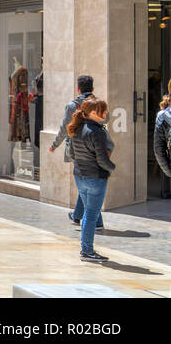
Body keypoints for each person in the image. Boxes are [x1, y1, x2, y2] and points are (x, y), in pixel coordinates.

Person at [50, 75, 102, 229]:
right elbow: (105, 122)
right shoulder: (98, 104)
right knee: (86, 182)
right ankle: (78, 215)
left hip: (77, 149)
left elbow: (64, 129)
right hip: (94, 148)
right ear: (92, 88)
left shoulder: (72, 106)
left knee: (86, 184)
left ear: (78, 89)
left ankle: (97, 221)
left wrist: (55, 144)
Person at [69, 98, 114, 262]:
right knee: (91, 214)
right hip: (95, 177)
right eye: (104, 110)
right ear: (94, 113)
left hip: (80, 175)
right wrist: (112, 167)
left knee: (89, 212)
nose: (106, 113)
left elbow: (71, 154)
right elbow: (102, 160)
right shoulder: (97, 132)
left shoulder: (77, 128)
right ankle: (87, 250)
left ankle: (86, 249)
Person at [153, 91, 171, 197]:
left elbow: (158, 149)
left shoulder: (163, 116)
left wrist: (168, 171)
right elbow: (158, 149)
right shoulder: (163, 116)